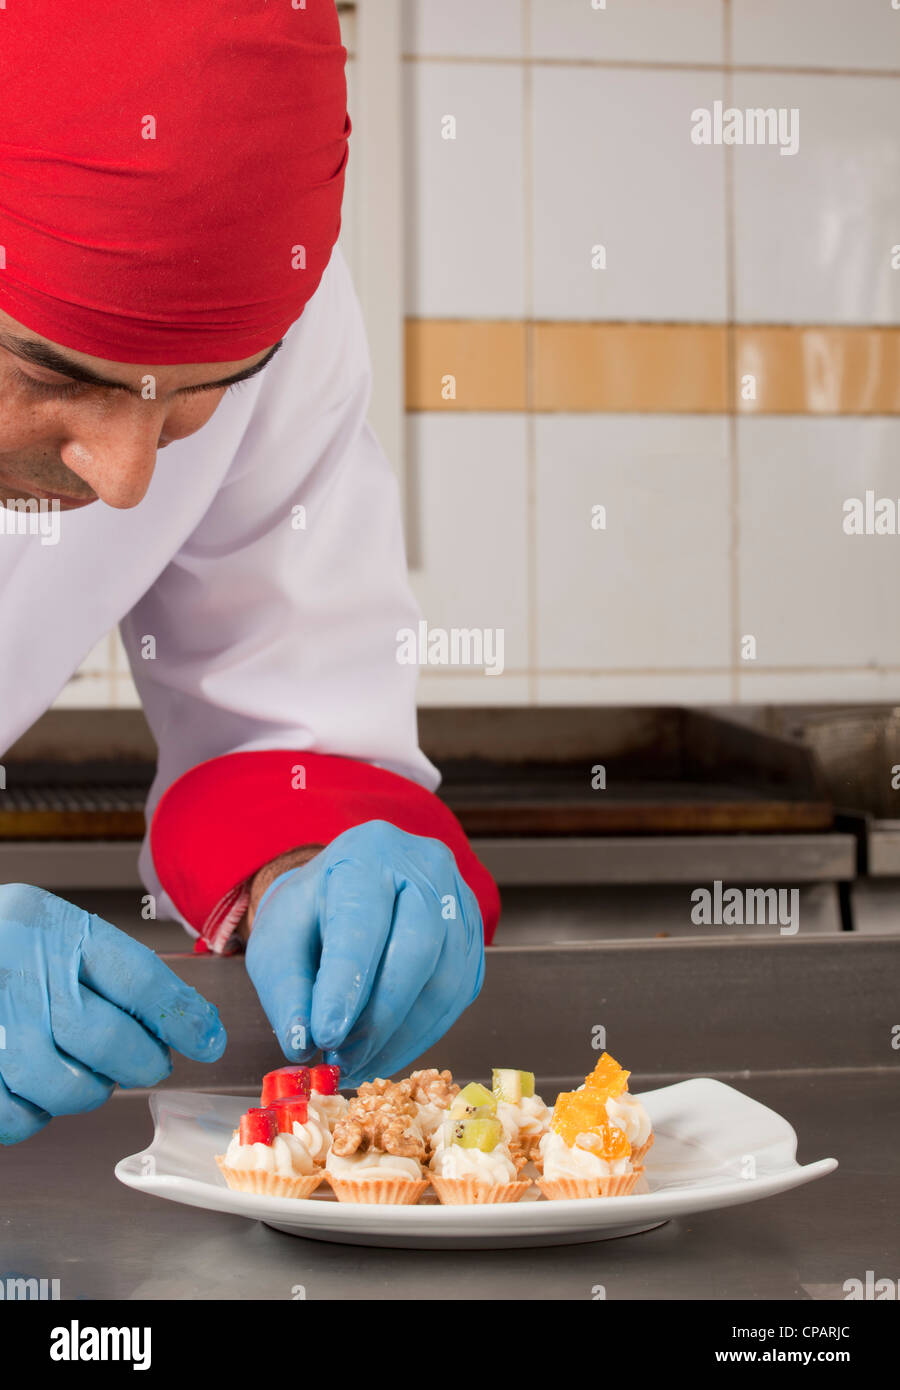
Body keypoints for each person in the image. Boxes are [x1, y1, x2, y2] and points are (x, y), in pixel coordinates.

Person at [0, 1, 499, 1145]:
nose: (125, 481)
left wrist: (308, 859)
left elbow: (277, 711)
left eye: (190, 399)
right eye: (48, 371)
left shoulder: (273, 303)